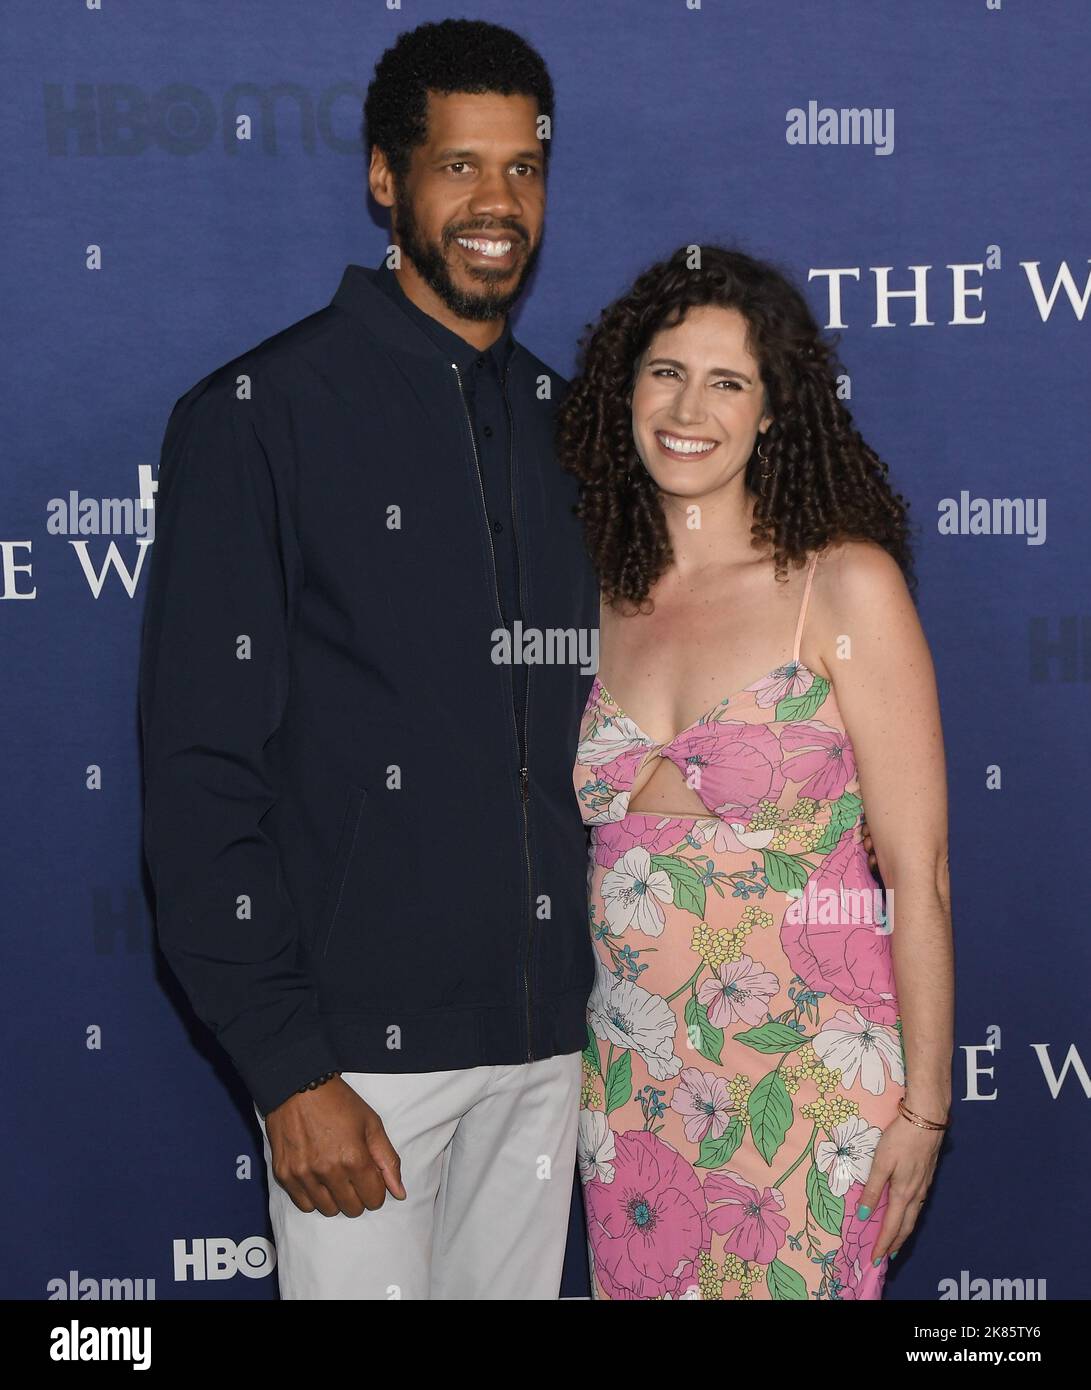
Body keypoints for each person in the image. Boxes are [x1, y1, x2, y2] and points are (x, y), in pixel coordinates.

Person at [138, 19, 599, 1300]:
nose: (495, 205)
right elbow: (198, 771)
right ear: (385, 179)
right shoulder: (259, 418)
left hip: (553, 1051)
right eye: (458, 167)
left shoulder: (574, 430)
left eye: (522, 169)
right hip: (357, 1068)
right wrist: (287, 1064)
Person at [559, 245, 954, 1300]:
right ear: (623, 387)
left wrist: (923, 1107)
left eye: (727, 380)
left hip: (811, 1080)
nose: (688, 406)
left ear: (773, 409)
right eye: (664, 371)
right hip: (633, 1085)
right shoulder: (590, 589)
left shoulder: (840, 585)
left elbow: (919, 874)